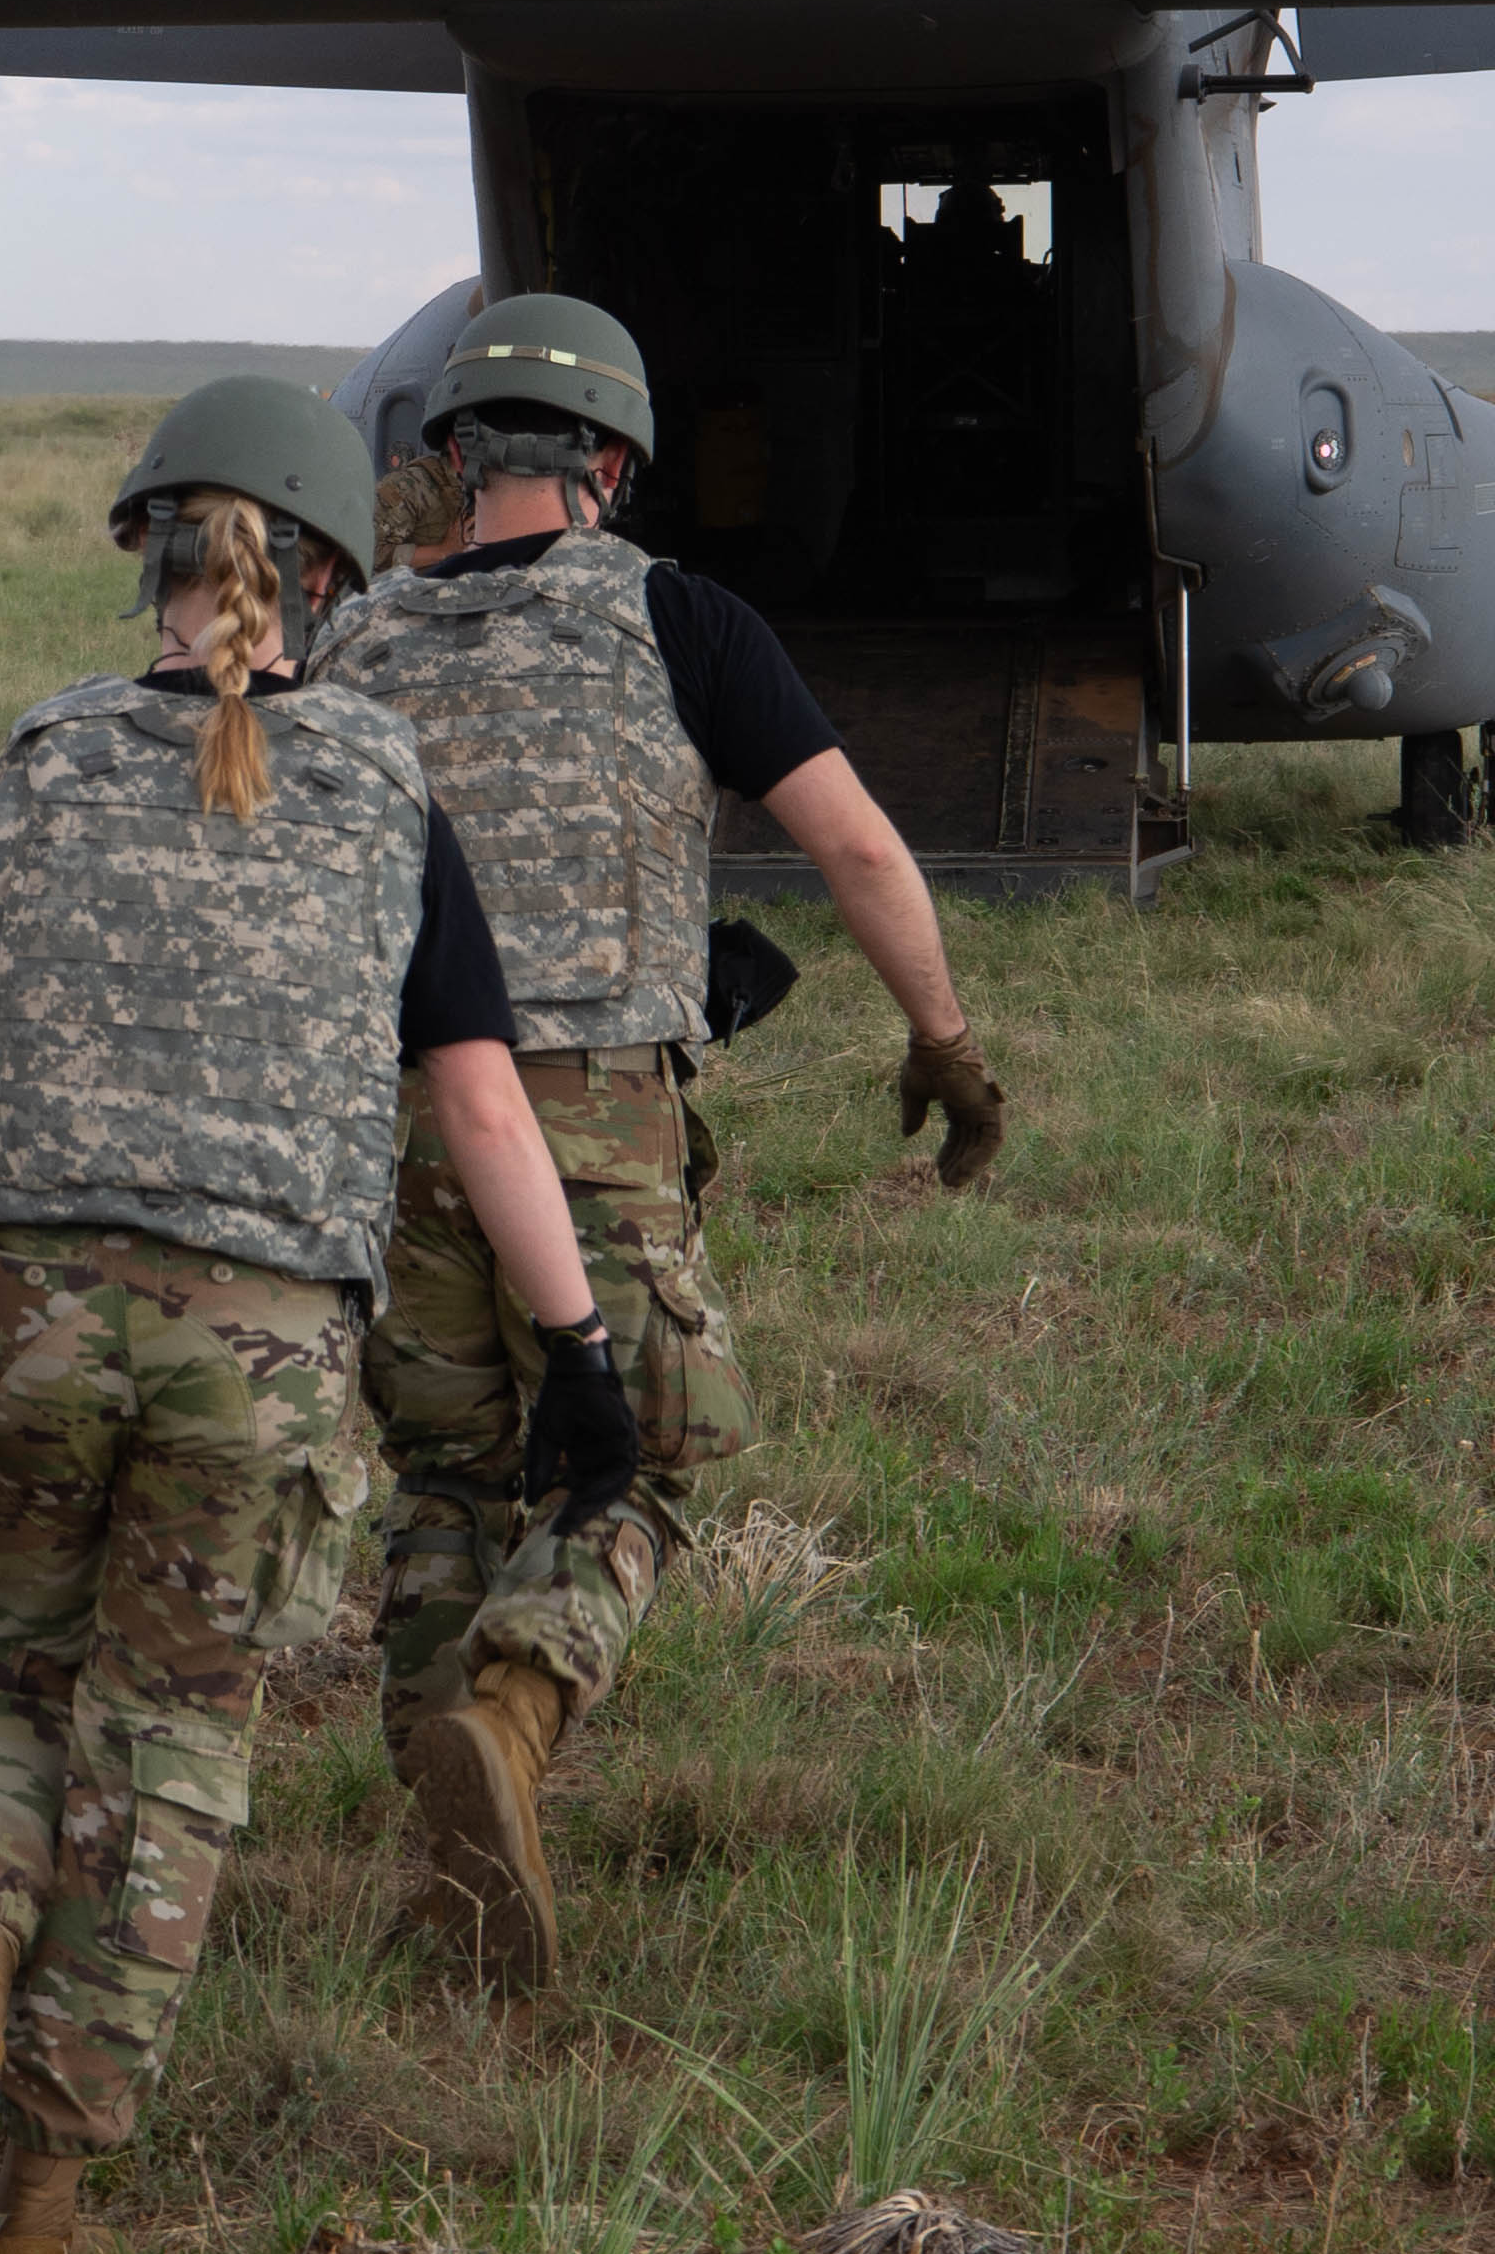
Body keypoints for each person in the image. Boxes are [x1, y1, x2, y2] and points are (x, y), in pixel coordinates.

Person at [0, 375, 634, 2254]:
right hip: (261, 1344)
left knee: (9, 1686)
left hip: (21, 1305)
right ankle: (40, 2195)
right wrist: (581, 1350)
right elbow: (485, 1110)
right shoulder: (378, 786)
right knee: (172, 1740)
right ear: (334, 575)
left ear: (149, 559)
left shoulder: (29, 760)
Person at [312, 291, 1010, 1989]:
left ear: (452, 460)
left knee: (447, 1477)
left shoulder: (347, 646)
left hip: (386, 1122)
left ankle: (449, 1850)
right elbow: (847, 843)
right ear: (613, 462)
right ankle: (519, 1709)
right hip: (590, 1115)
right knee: (646, 1456)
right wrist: (944, 1040)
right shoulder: (678, 617)